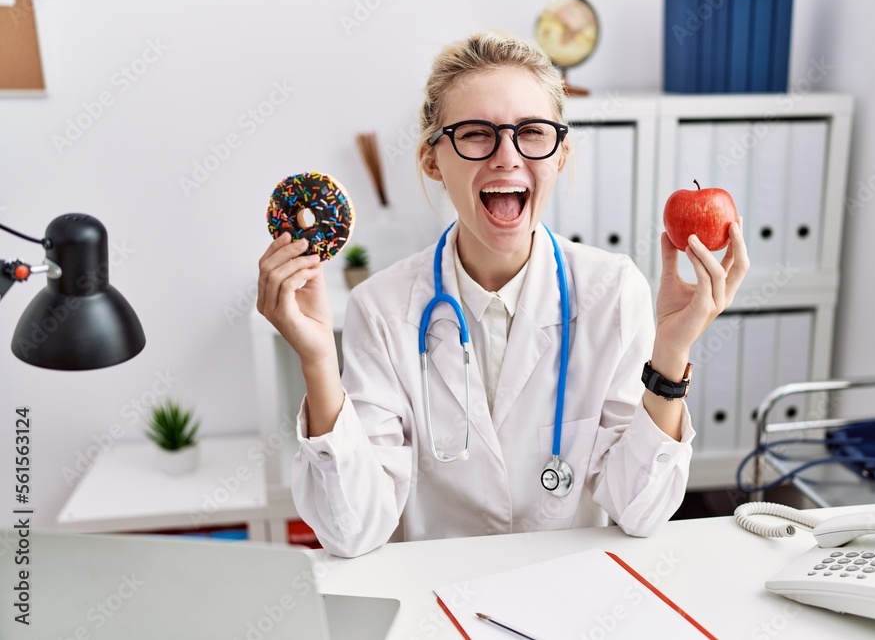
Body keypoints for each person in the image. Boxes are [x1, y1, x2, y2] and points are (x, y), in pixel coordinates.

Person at [256, 31, 749, 558]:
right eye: (475, 134)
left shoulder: (613, 290)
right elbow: (352, 531)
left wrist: (671, 356)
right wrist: (316, 362)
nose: (507, 157)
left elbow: (640, 511)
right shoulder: (382, 308)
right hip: (435, 602)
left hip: (570, 599)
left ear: (559, 155)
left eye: (532, 132)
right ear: (431, 160)